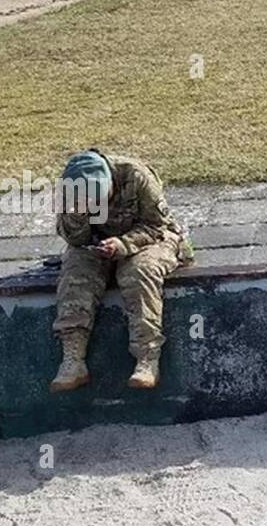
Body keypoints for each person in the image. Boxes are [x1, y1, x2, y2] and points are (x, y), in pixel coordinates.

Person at [49, 149, 191, 393]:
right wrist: (78, 215)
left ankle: (147, 358)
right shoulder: (71, 189)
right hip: (100, 243)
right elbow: (74, 238)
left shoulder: (136, 175)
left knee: (139, 272)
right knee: (75, 272)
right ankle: (73, 358)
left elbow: (156, 225)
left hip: (151, 239)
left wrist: (123, 244)